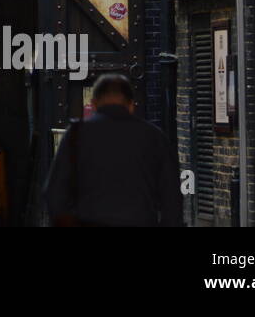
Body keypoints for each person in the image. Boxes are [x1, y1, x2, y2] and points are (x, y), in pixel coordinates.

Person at [44, 73, 183, 227]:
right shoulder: (155, 137)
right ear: (131, 105)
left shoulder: (76, 134)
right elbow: (172, 198)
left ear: (94, 104)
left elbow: (54, 194)